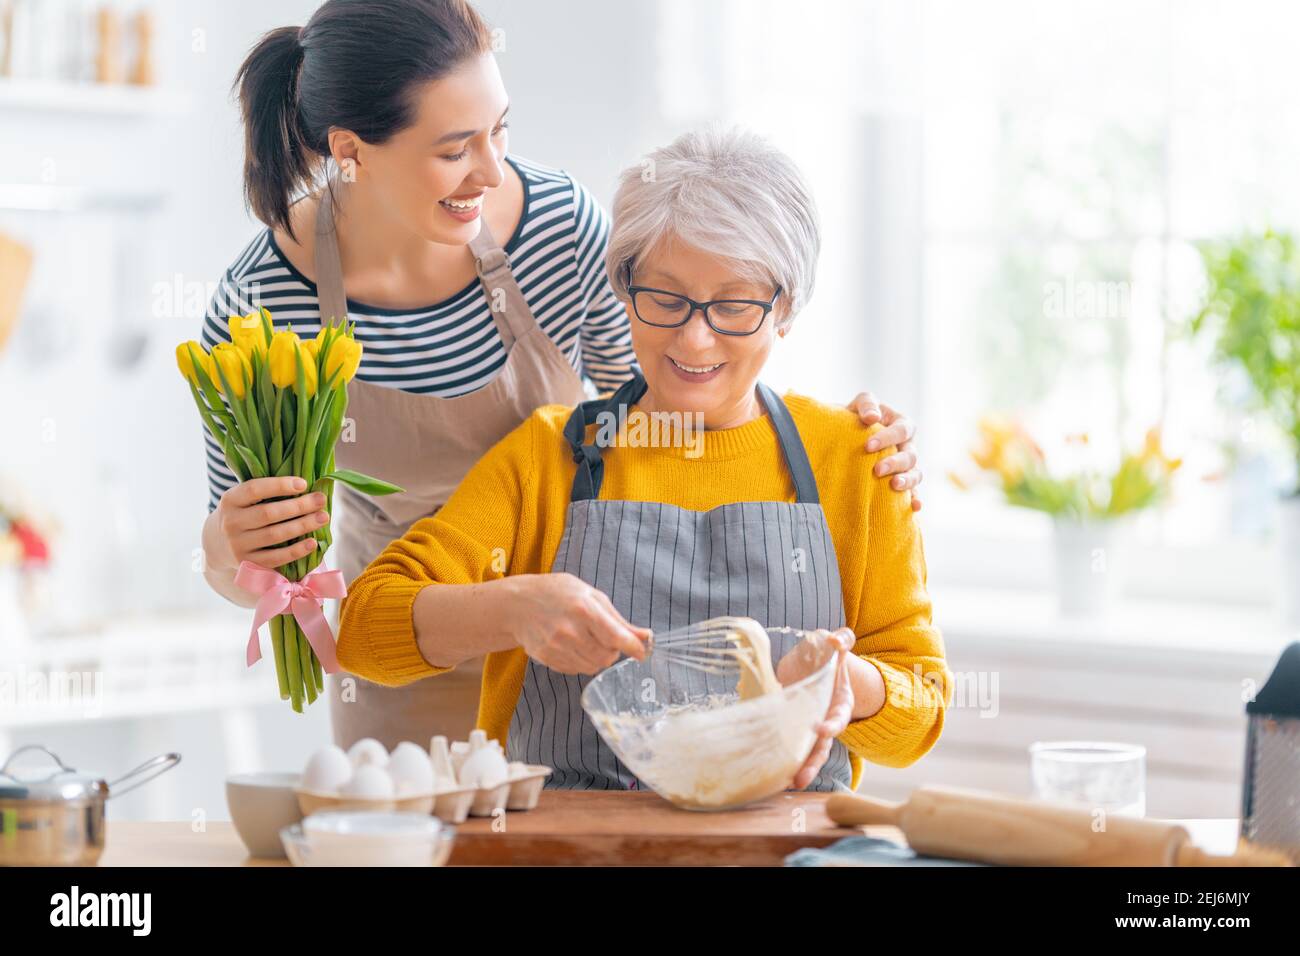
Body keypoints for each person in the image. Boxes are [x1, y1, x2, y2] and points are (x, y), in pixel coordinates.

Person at [337, 126, 951, 792]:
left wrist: (846, 684)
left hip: (784, 848)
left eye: (735, 305)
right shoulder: (552, 454)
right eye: (665, 297)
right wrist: (510, 610)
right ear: (623, 289)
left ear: (787, 310)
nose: (694, 336)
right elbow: (365, 628)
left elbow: (919, 709)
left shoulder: (856, 461)